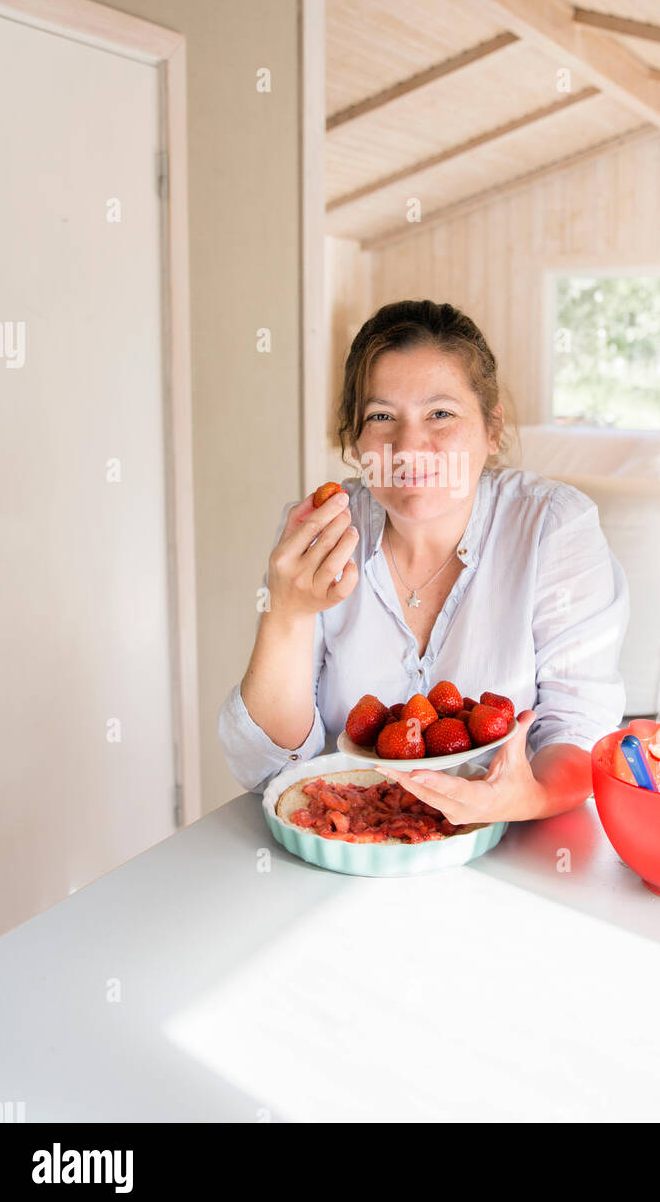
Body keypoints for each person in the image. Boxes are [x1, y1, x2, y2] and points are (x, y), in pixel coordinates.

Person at [218, 299, 629, 824]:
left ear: (491, 427)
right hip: (351, 845)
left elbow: (578, 729)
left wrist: (529, 797)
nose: (409, 447)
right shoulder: (321, 533)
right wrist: (288, 612)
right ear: (356, 437)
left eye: (440, 414)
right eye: (382, 416)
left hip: (510, 847)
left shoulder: (553, 527)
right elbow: (264, 766)